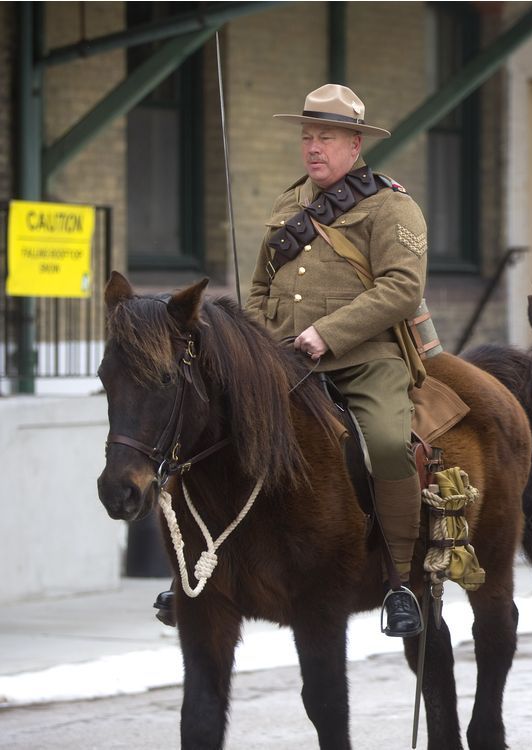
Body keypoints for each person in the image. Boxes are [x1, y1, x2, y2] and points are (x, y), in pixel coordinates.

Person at [155, 84, 428, 638]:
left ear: (355, 144)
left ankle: (401, 581)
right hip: (281, 358)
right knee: (209, 431)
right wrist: (253, 344)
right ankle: (202, 566)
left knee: (385, 441)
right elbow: (260, 286)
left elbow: (402, 288)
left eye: (326, 137)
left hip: (363, 359)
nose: (313, 147)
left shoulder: (393, 207)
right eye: (307, 136)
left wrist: (328, 334)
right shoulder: (290, 204)